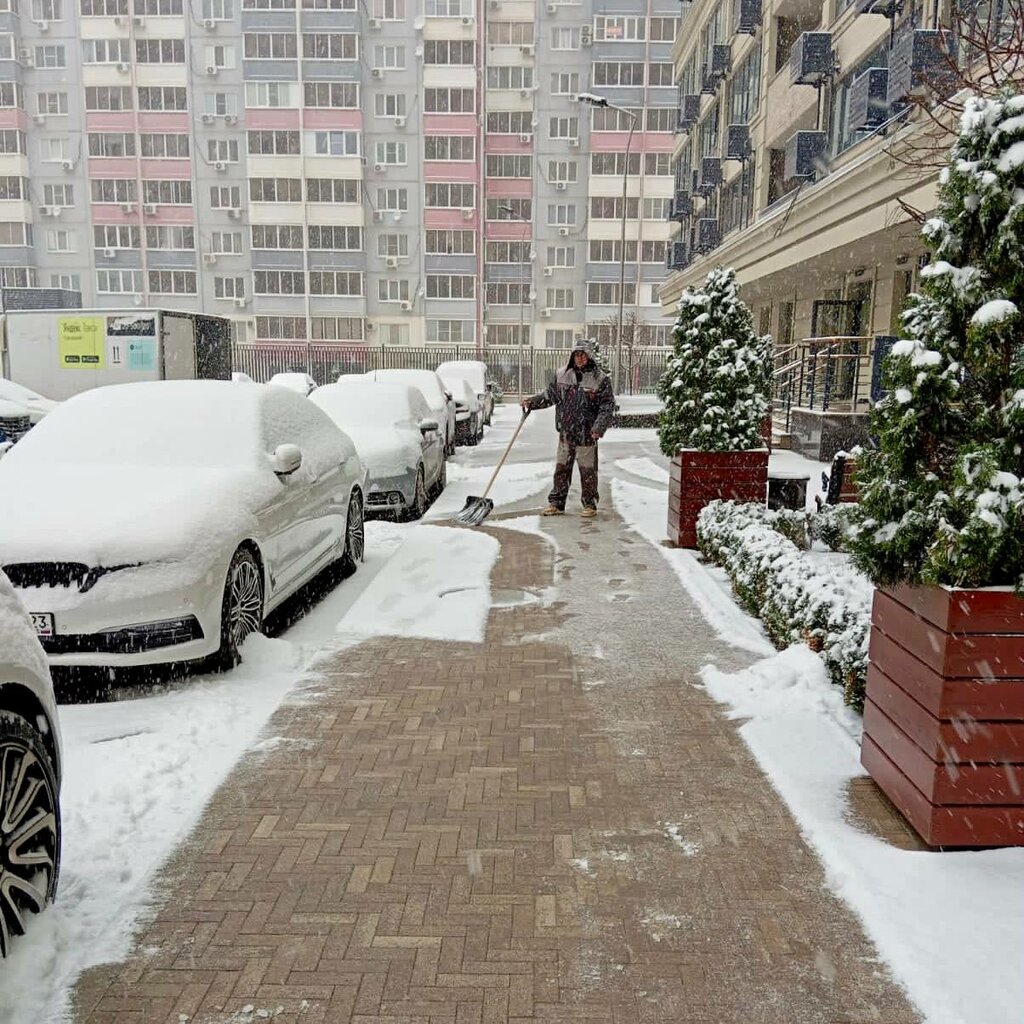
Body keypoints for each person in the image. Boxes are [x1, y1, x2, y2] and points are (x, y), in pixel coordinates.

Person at [522, 339, 615, 518]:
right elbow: (550, 396)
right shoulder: (562, 375)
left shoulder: (599, 379)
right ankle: (556, 503)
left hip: (587, 433)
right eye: (577, 354)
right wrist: (532, 402)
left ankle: (589, 504)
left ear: (589, 356)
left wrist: (598, 427)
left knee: (587, 471)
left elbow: (607, 406)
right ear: (572, 356)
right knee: (561, 468)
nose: (580, 358)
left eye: (583, 354)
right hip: (566, 431)